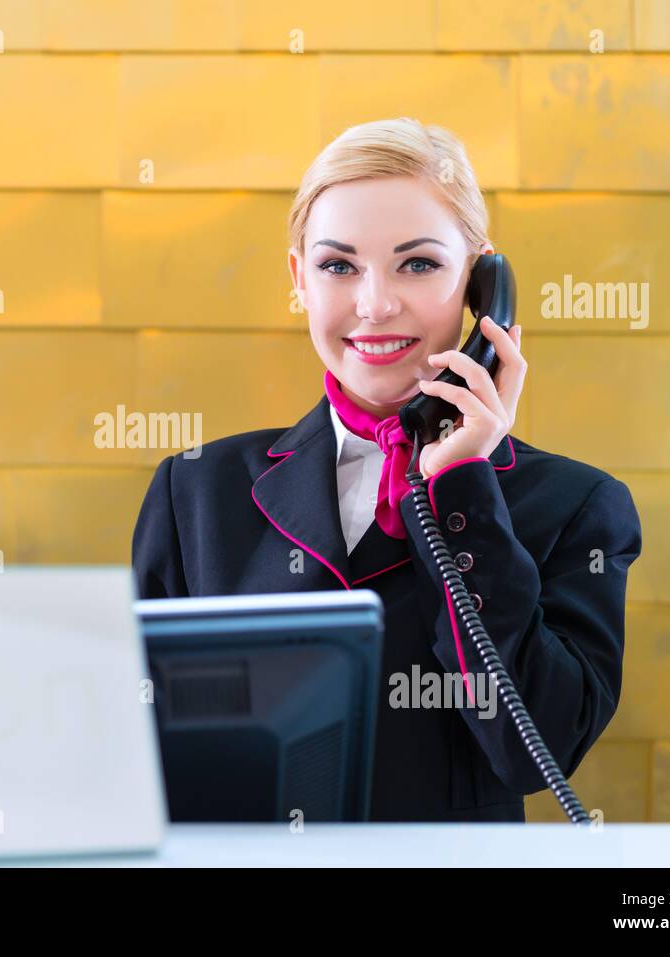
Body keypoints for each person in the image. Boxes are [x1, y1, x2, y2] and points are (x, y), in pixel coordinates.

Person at [131, 117, 642, 822]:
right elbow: (137, 754)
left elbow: (535, 751)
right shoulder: (195, 492)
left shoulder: (577, 505)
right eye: (338, 265)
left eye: (419, 263)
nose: (375, 304)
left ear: (482, 284)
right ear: (298, 279)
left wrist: (463, 486)